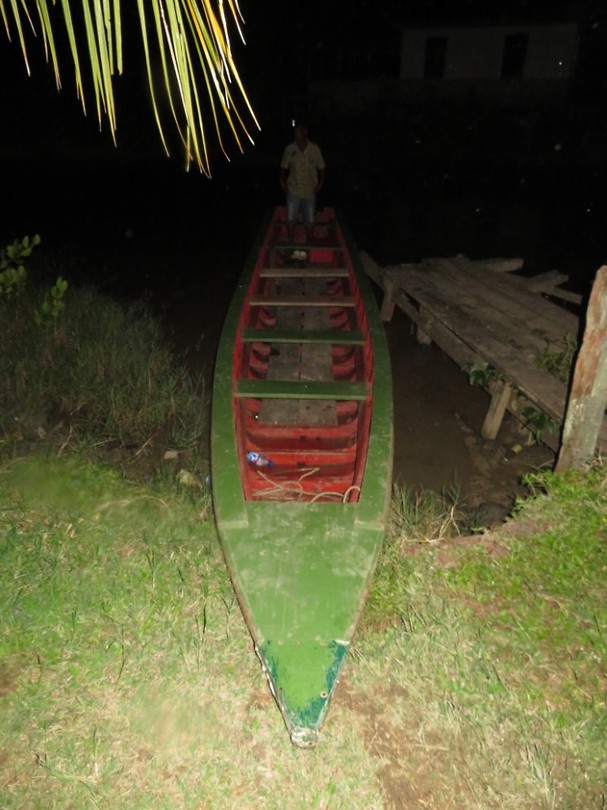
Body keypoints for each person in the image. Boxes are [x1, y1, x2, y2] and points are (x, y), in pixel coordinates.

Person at [279, 123, 326, 243]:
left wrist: (321, 182)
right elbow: (284, 166)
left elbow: (321, 166)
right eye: (295, 132)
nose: (296, 134)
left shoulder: (314, 149)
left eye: (298, 132)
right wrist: (282, 181)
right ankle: (290, 241)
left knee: (309, 219)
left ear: (305, 133)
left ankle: (309, 241)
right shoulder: (290, 149)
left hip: (310, 190)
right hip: (294, 189)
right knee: (291, 218)